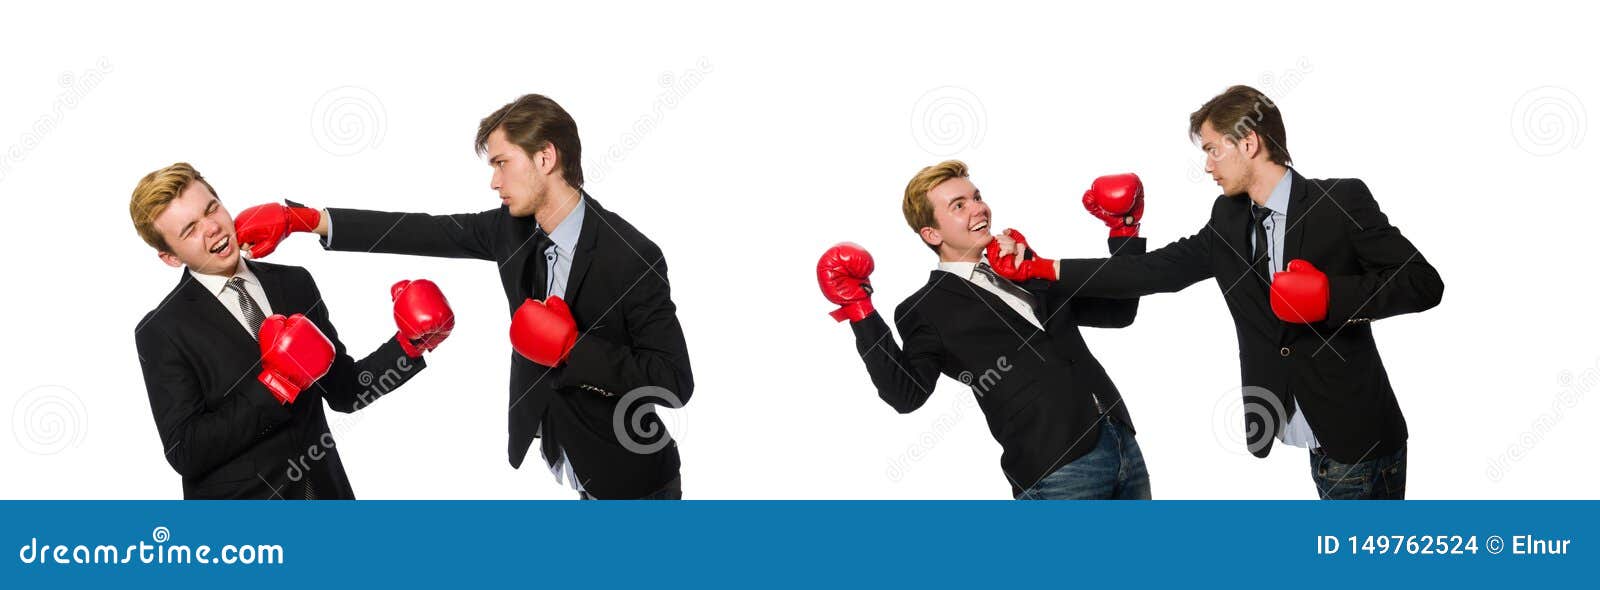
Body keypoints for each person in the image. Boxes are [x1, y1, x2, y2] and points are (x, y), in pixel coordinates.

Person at [232, 94, 693, 500]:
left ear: (546, 157)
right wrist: (308, 219)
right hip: (569, 461)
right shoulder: (511, 230)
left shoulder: (631, 257)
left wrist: (575, 350)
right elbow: (421, 230)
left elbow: (674, 382)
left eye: (501, 163)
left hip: (634, 484)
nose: (494, 181)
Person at [997, 85, 1444, 499]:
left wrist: (1332, 297)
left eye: (1213, 149)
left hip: (1361, 436)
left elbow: (1422, 282)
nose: (1208, 165)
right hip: (1301, 428)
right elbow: (1156, 272)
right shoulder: (1229, 217)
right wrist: (1045, 268)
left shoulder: (1341, 200)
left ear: (1248, 143)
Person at [818, 160, 1152, 499]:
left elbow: (1117, 312)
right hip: (1056, 467)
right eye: (959, 205)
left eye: (977, 197)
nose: (979, 209)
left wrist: (1123, 229)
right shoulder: (925, 308)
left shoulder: (1021, 264)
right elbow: (906, 394)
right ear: (932, 234)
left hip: (1120, 441)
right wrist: (859, 310)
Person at [131, 162, 454, 499]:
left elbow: (345, 392)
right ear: (170, 257)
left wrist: (409, 345)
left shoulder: (294, 282)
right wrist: (275, 385)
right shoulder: (162, 330)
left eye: (212, 208)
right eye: (190, 229)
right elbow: (187, 451)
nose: (212, 227)